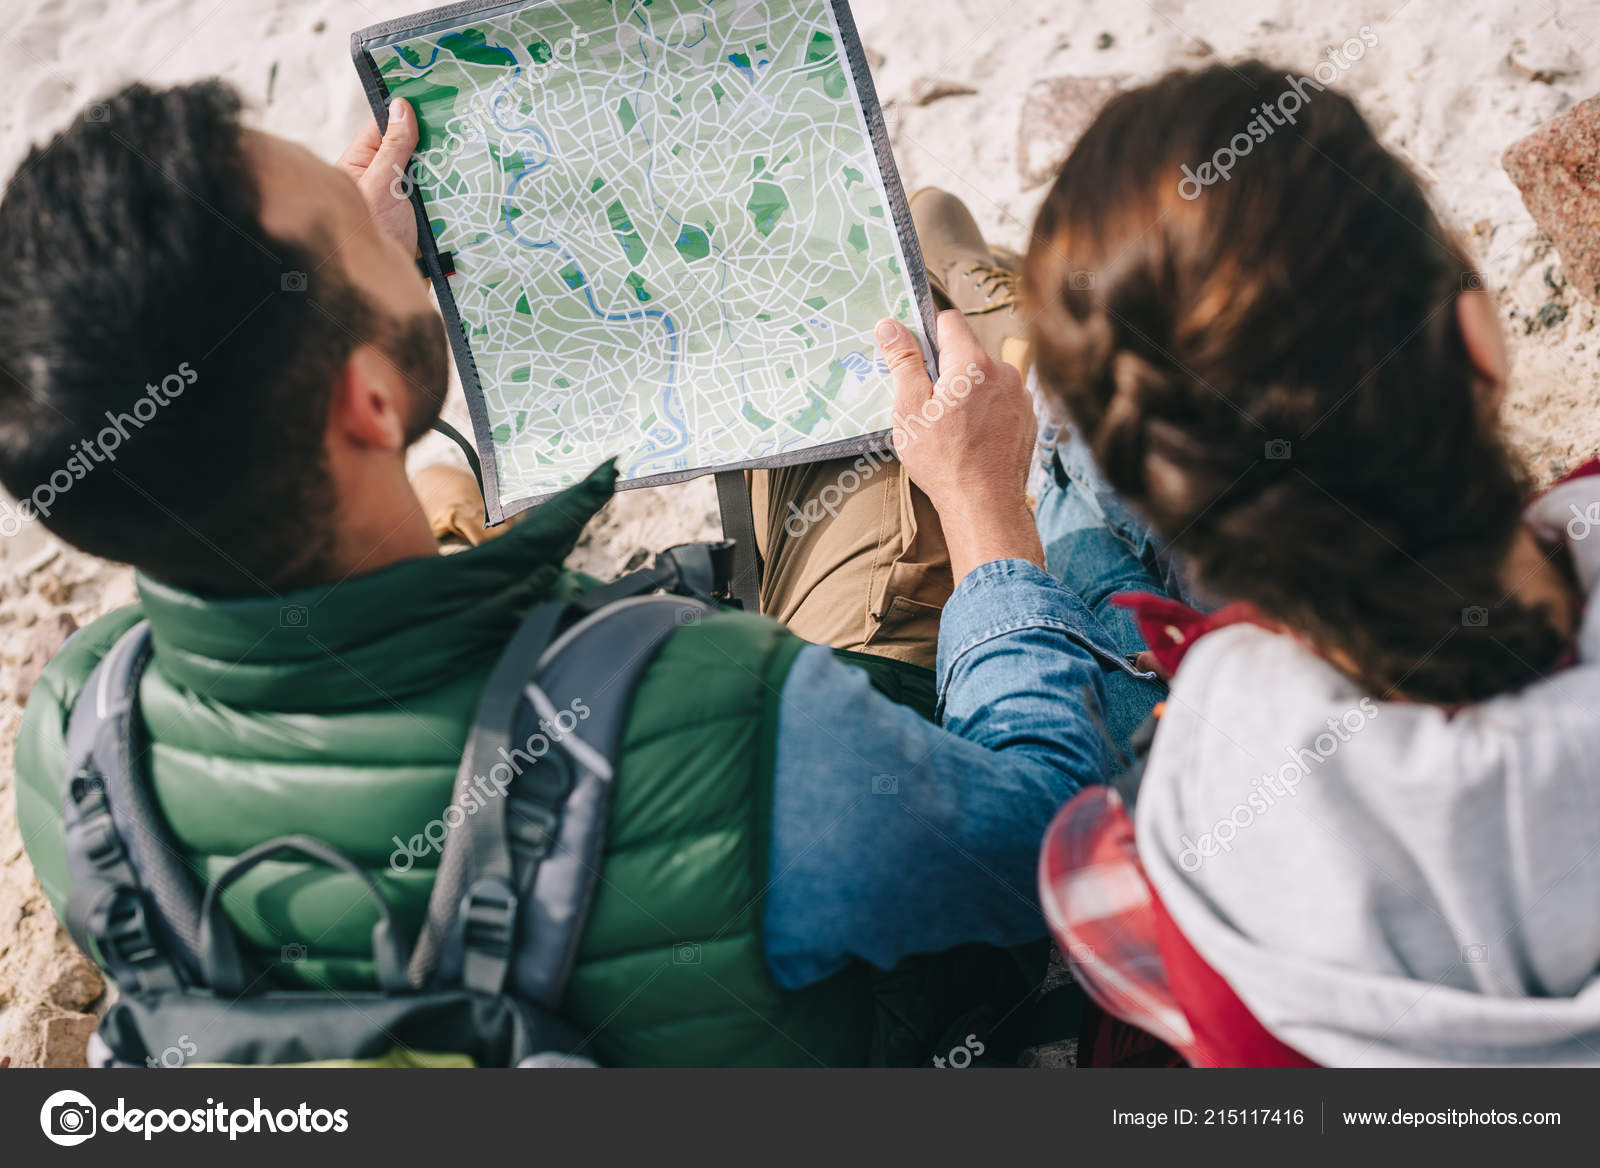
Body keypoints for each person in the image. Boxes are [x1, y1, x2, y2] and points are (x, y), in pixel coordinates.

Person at [2, 81, 1145, 1066]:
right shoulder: (701, 713)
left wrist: (330, 307)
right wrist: (984, 501)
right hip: (856, 907)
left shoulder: (79, 735)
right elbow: (1046, 845)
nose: (373, 212)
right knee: (992, 389)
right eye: (341, 223)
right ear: (368, 400)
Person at [1002, 61, 1600, 1066]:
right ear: (1478, 339)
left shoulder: (1208, 810)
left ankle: (1067, 447)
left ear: (1184, 511)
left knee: (1072, 513)